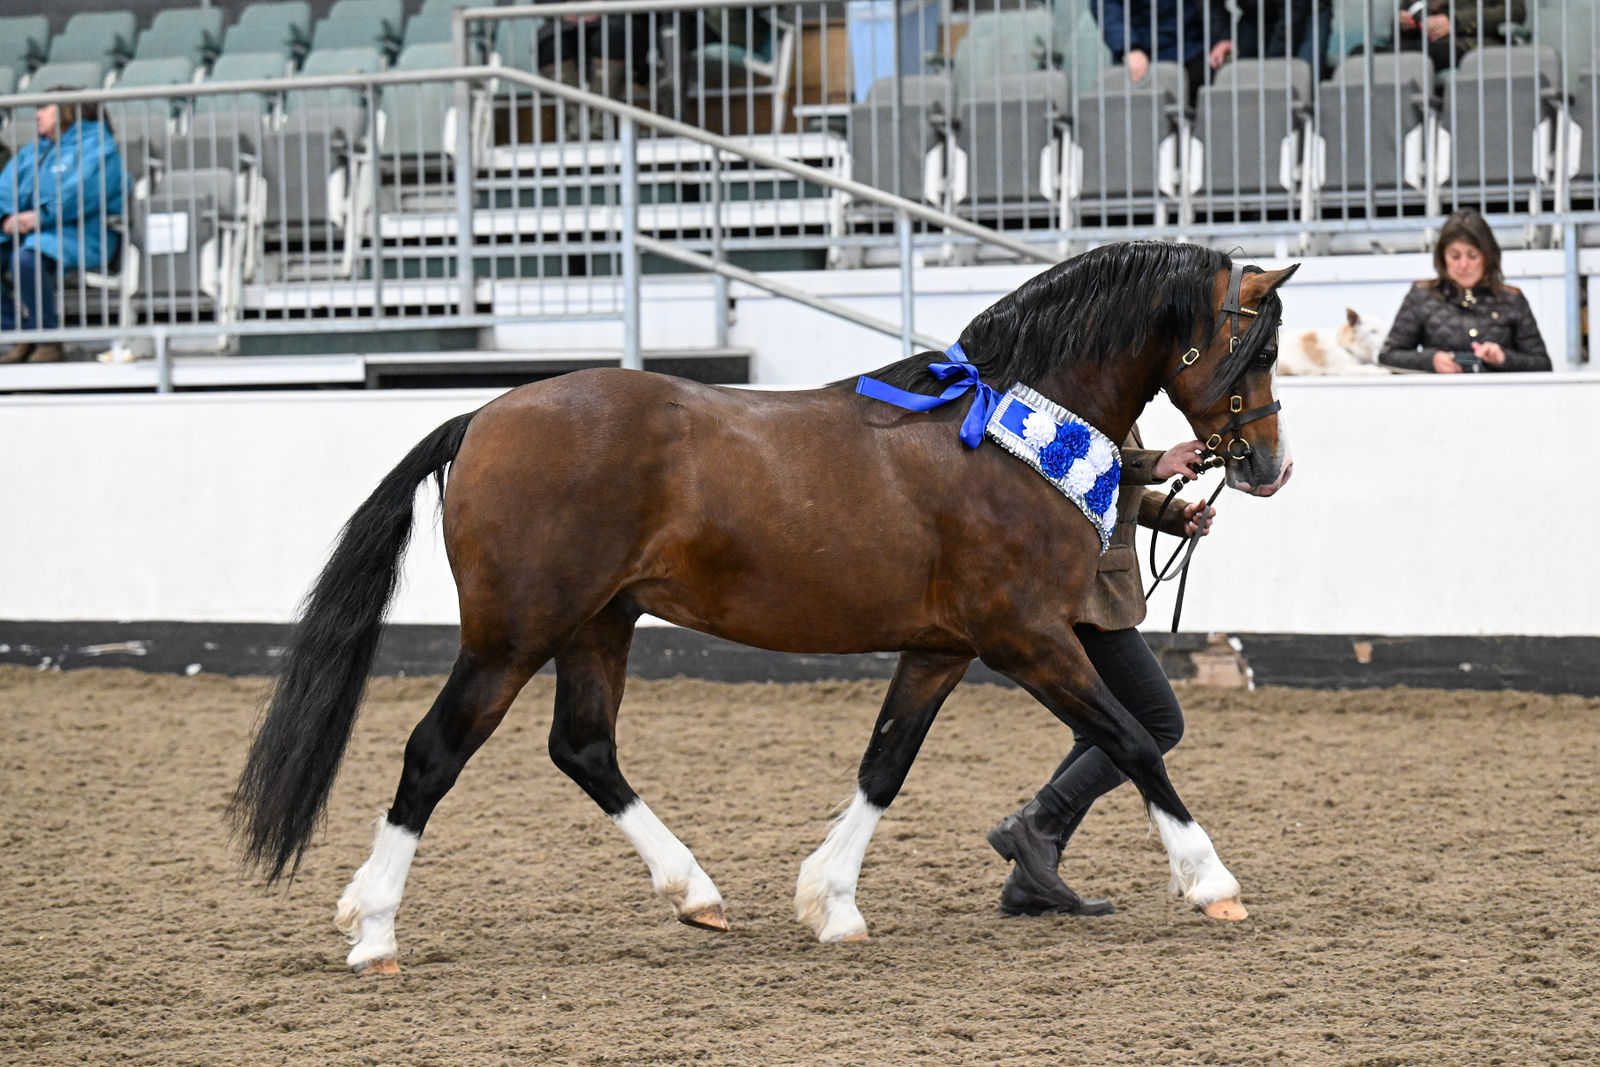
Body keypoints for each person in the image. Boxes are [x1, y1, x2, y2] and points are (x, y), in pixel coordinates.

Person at [986, 429, 1214, 916]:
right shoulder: (1076, 372)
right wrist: (1154, 462)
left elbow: (1104, 487)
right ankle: (1035, 824)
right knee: (1157, 722)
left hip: (1098, 584)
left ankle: (1031, 878)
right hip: (1079, 586)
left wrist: (1173, 514)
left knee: (1097, 733)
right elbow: (1067, 460)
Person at [0, 94, 124, 364]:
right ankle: (19, 332)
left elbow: (82, 192)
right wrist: (6, 217)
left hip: (84, 234)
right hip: (37, 234)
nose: (37, 115)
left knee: (27, 258)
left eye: (43, 107)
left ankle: (48, 339)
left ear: (67, 109)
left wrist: (40, 216)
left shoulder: (100, 148)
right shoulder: (34, 151)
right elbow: (5, 189)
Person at [1379, 208, 1550, 373]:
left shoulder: (1511, 299)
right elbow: (1388, 356)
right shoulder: (1422, 296)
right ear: (1442, 257)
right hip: (1437, 396)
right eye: (1455, 256)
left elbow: (1542, 364)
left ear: (1487, 257)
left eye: (1472, 256)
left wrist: (1504, 358)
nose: (1463, 265)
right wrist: (1430, 360)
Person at [1094, 0, 1233, 102]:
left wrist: (1221, 38)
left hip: (1192, 51)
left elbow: (1211, 7)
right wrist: (1129, 48)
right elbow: (1107, 9)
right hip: (1140, 57)